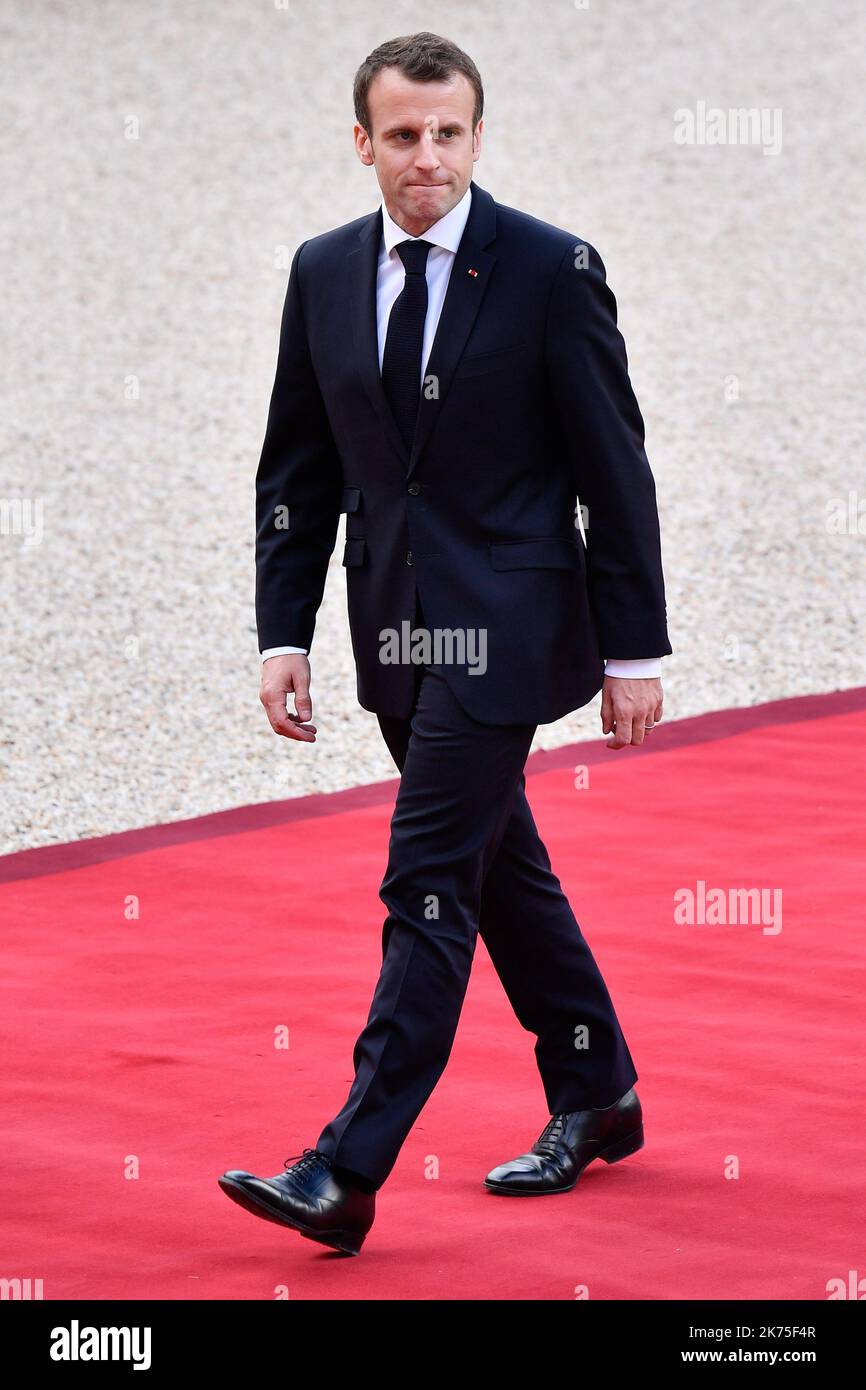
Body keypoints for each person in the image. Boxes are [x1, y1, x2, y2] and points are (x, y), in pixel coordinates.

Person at [219, 31, 671, 1256]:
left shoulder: (547, 268)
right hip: (394, 628)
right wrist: (281, 632)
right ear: (362, 141)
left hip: (508, 627)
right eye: (404, 135)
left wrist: (633, 649)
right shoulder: (320, 272)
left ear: (477, 134)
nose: (428, 156)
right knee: (498, 868)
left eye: (449, 133)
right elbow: (296, 470)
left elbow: (613, 469)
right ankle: (596, 1088)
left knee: (422, 880)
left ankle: (344, 1165)